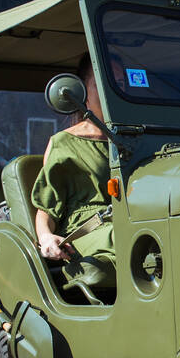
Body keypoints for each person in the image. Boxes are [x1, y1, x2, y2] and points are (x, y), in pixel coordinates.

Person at [32, 55, 116, 291]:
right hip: (90, 229)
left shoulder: (136, 139)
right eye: (105, 81)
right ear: (80, 92)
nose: (113, 90)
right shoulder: (64, 143)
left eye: (119, 82)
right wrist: (46, 238)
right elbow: (46, 210)